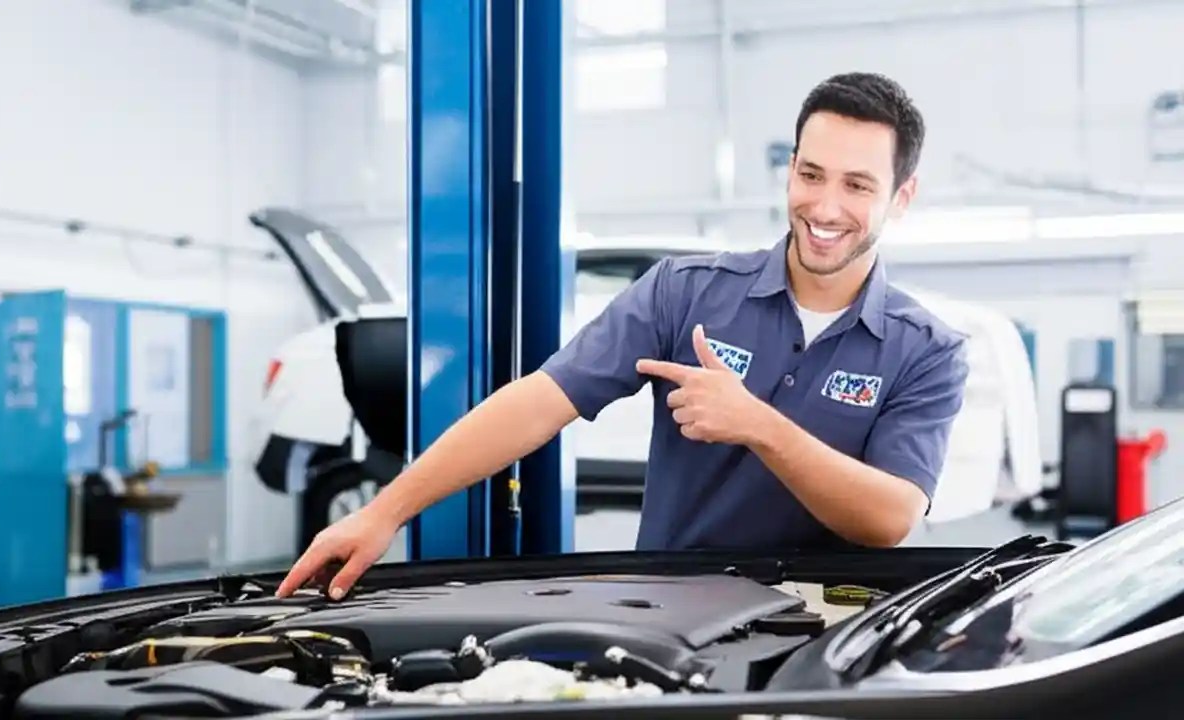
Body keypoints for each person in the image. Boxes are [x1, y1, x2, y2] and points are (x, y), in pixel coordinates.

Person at [276, 71, 970, 600]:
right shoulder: (685, 291)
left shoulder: (927, 350)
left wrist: (759, 425)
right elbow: (540, 401)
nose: (824, 206)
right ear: (790, 168)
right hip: (670, 617)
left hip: (827, 630)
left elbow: (888, 518)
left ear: (900, 197)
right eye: (811, 174)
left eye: (857, 185)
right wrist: (384, 512)